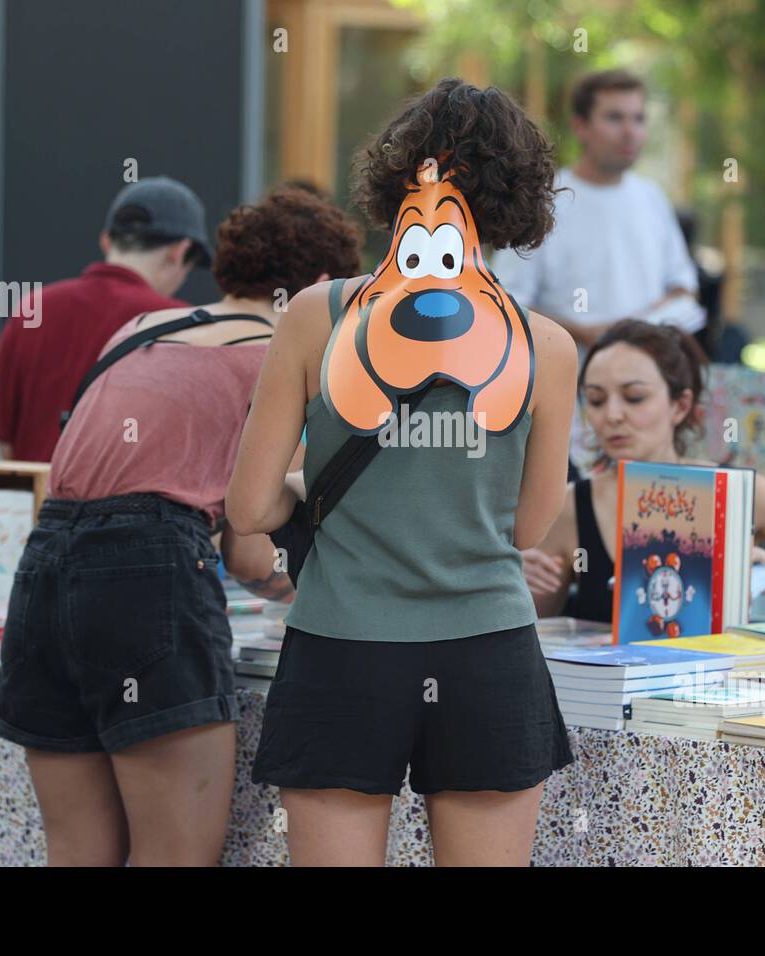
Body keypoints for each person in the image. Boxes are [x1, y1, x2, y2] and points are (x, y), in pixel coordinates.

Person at [225, 79, 578, 867]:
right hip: (488, 649)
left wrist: (304, 495)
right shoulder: (546, 345)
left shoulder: (317, 314)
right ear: (515, 196)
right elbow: (526, 528)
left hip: (341, 649)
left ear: (397, 178)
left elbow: (246, 509)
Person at [0, 185, 363, 866]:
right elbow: (252, 555)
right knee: (174, 856)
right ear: (318, 287)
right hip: (148, 576)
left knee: (75, 851)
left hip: (42, 566)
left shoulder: (139, 330)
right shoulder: (277, 357)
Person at [523, 320, 765, 621]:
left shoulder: (734, 492)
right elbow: (537, 623)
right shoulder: (572, 505)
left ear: (680, 405)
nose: (612, 415)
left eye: (634, 397)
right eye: (595, 400)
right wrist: (518, 580)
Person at [0, 176, 210, 463]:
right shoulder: (178, 322)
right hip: (126, 505)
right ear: (180, 251)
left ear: (106, 240)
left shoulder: (33, 308)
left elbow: (4, 440)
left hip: (32, 501)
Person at [491, 69, 701, 350]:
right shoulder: (541, 200)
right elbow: (506, 301)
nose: (630, 132)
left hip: (648, 380)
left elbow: (683, 287)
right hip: (566, 383)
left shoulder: (652, 197)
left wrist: (637, 330)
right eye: (615, 118)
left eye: (638, 119)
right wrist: (583, 333)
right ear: (580, 126)